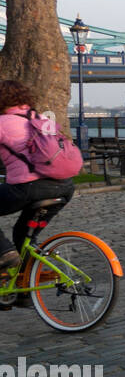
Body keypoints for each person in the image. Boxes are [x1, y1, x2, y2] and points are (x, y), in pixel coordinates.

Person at [0, 81, 76, 298]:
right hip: (64, 186)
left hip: (29, 187)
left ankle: (5, 253)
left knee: (13, 245)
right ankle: (25, 292)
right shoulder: (40, 119)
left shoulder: (2, 122)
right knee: (23, 236)